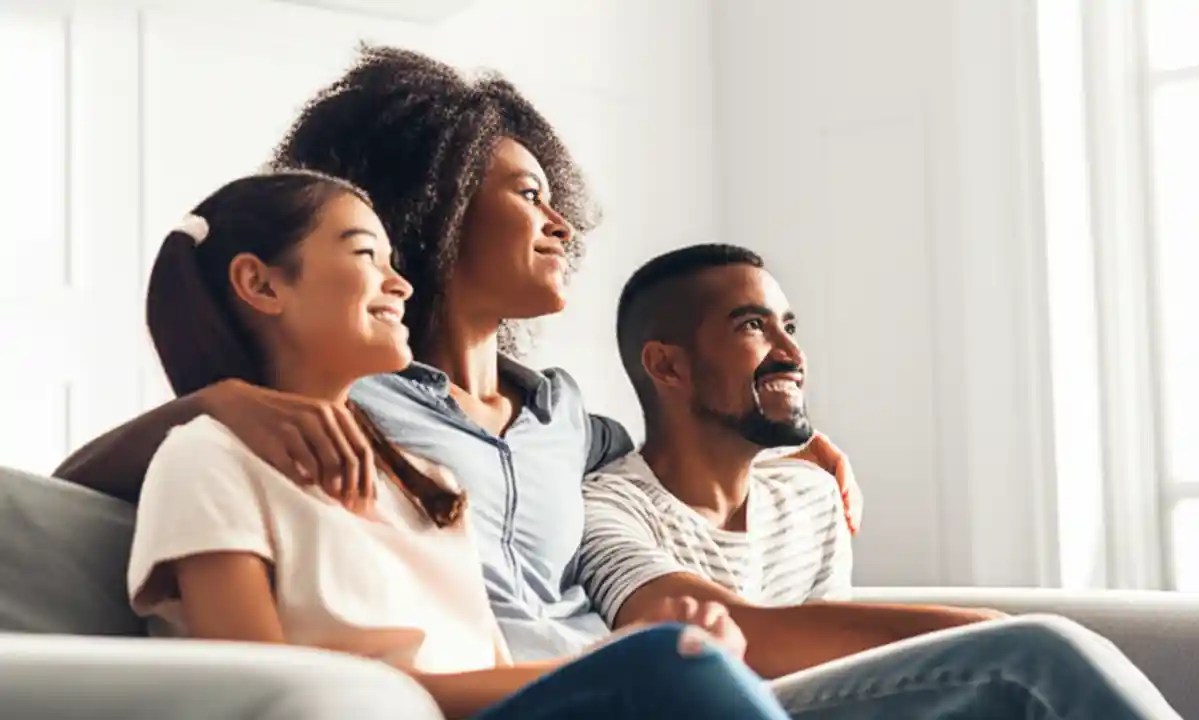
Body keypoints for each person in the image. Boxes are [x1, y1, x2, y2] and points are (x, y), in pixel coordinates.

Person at [59, 48, 1178, 718]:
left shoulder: (567, 425)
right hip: (587, 695)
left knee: (1032, 659)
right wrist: (212, 402)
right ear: (431, 204)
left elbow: (690, 447)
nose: (560, 222)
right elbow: (94, 487)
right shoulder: (338, 418)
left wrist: (787, 433)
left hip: (643, 685)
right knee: (1031, 661)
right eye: (525, 193)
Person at [130, 169, 787, 720]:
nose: (400, 284)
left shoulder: (424, 481)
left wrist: (613, 658)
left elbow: (489, 671)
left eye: (394, 262)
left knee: (696, 661)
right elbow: (255, 694)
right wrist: (629, 664)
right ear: (262, 285)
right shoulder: (207, 458)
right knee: (674, 663)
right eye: (365, 255)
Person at [578, 243, 1185, 719]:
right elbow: (713, 633)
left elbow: (839, 677)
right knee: (1037, 657)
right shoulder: (607, 508)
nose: (792, 353)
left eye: (790, 326)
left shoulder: (811, 495)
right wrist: (995, 638)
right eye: (752, 327)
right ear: (668, 365)